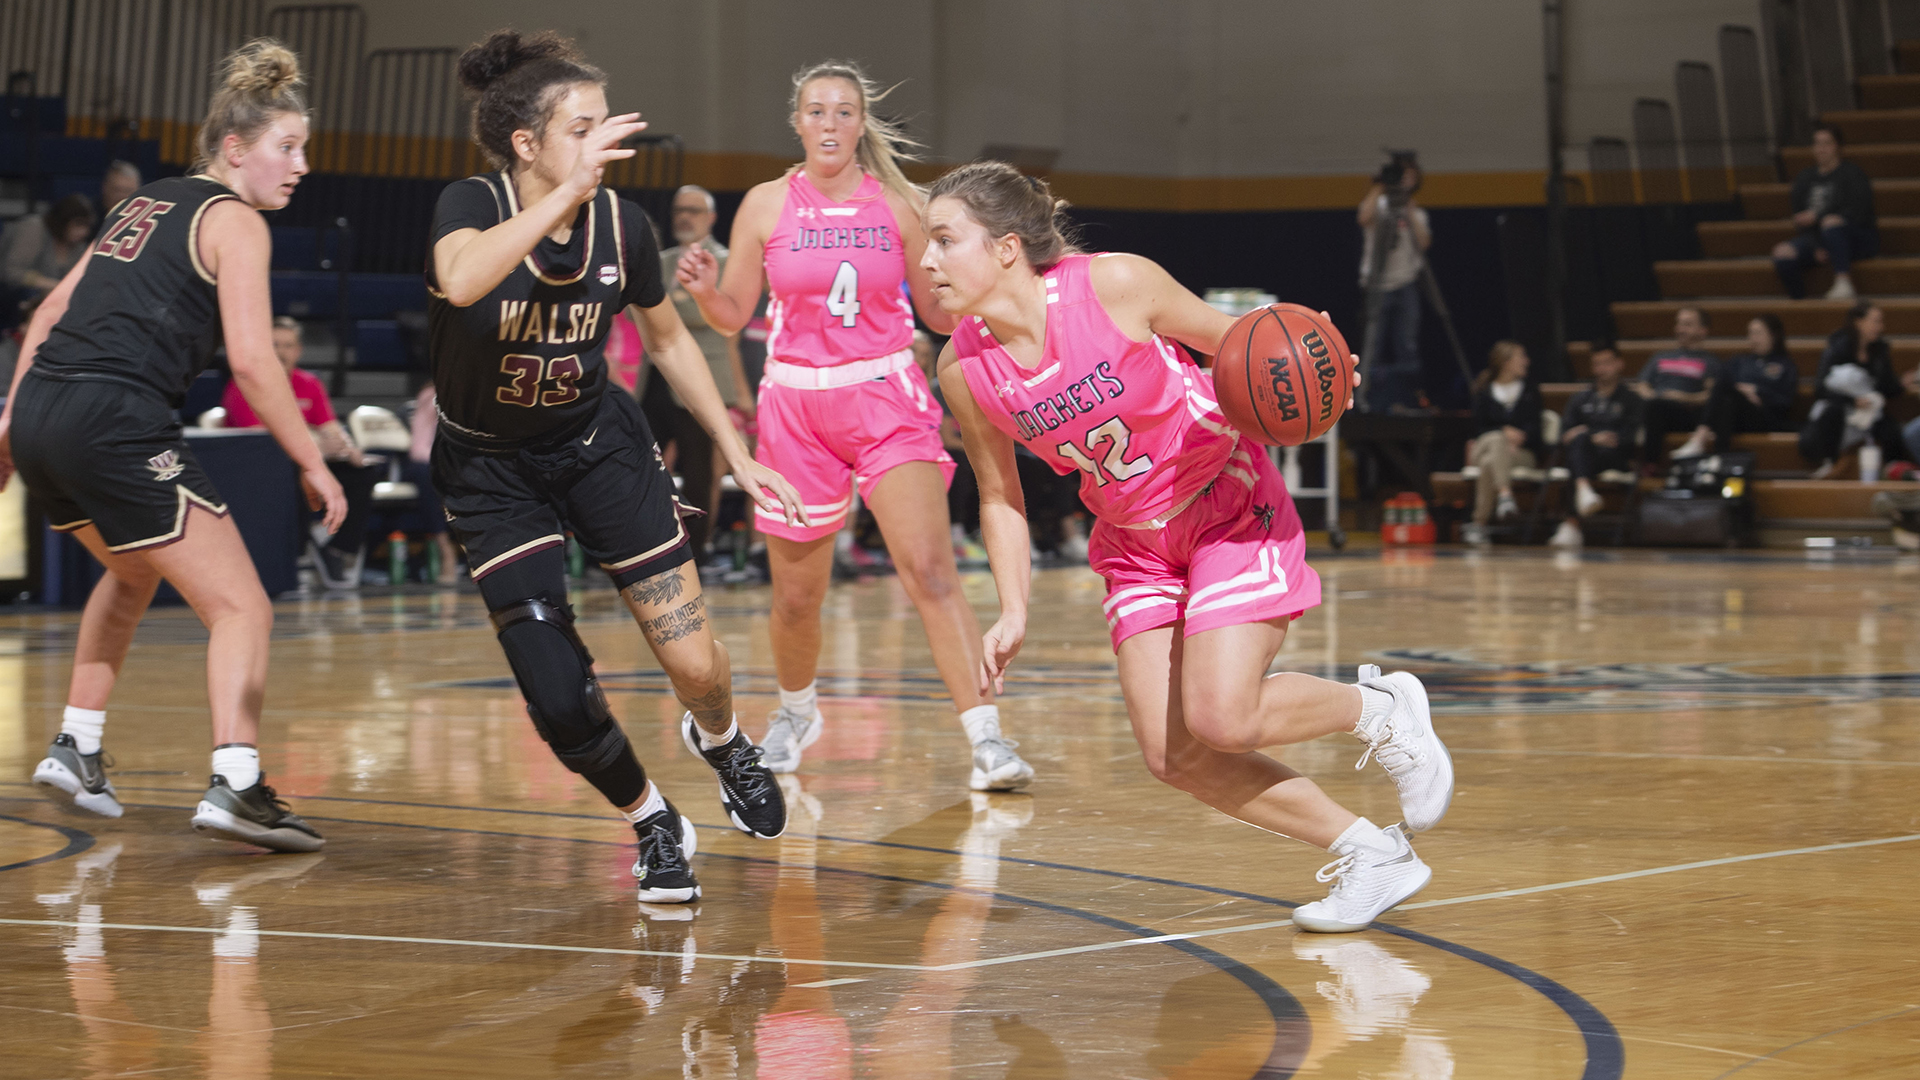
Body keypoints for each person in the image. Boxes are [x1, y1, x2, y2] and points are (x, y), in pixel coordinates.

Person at [926, 161, 1451, 933]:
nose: (928, 260)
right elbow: (1000, 495)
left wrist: (1321, 365)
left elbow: (1241, 344)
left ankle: (1381, 708)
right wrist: (1011, 611)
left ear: (1007, 248)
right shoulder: (963, 369)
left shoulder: (1114, 286)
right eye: (925, 243)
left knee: (1225, 719)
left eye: (944, 239)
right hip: (1135, 544)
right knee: (1174, 754)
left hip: (1225, 504)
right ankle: (1372, 853)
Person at [432, 30, 807, 902]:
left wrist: (739, 455)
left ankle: (720, 741)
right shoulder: (469, 204)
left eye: (609, 125)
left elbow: (669, 337)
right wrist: (561, 192)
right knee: (556, 695)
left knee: (695, 667)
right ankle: (652, 821)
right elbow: (461, 282)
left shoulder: (622, 225)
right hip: (491, 471)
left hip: (598, 444)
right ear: (527, 144)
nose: (608, 144)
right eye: (583, 128)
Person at [1, 41, 346, 849]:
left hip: (46, 405)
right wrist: (312, 459)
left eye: (303, 150)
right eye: (285, 149)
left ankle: (77, 744)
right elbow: (256, 366)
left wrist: (13, 420)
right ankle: (238, 783)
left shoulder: (146, 201)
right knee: (242, 607)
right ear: (234, 149)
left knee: (129, 571)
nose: (298, 167)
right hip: (114, 416)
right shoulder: (237, 223)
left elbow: (48, 314)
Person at [677, 60, 1033, 789]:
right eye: (817, 111)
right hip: (794, 408)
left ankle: (988, 737)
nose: (831, 124)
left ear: (861, 123)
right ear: (797, 121)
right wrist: (710, 293)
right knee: (797, 597)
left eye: (844, 112)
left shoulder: (902, 206)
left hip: (883, 394)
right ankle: (797, 711)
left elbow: (938, 313)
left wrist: (986, 292)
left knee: (931, 573)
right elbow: (733, 315)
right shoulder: (764, 205)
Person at [640, 184, 753, 566]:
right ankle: (646, 548)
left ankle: (698, 551)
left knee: (700, 473)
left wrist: (673, 309)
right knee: (644, 467)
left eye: (693, 210)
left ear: (711, 218)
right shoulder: (661, 260)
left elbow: (714, 316)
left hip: (703, 380)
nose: (684, 217)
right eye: (678, 210)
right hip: (655, 378)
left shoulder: (726, 260)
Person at [221, 316, 379, 589]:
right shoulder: (244, 383)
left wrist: (347, 447)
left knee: (363, 470)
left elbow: (330, 427)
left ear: (298, 351)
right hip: (258, 469)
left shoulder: (309, 383)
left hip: (304, 460)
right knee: (293, 471)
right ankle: (301, 551)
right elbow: (262, 439)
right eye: (274, 345)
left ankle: (334, 546)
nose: (281, 351)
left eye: (288, 345)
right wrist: (317, 443)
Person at [1800, 301, 1911, 476]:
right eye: (1875, 321)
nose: (1880, 327)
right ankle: (1830, 461)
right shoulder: (1836, 348)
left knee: (1890, 429)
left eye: (1881, 322)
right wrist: (1852, 400)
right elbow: (1820, 389)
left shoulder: (1880, 351)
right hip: (1840, 406)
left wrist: (1901, 384)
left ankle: (1893, 470)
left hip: (1868, 410)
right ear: (1858, 322)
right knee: (1832, 413)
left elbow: (1887, 388)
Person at [1356, 155, 1431, 414]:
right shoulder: (1380, 206)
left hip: (1406, 283)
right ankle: (1367, 399)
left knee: (1406, 344)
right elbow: (1364, 217)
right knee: (1373, 346)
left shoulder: (1416, 212)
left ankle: (1410, 397)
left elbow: (1423, 243)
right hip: (1377, 284)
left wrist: (1407, 206)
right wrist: (1379, 186)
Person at [1550, 342, 1642, 549]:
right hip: (1585, 455)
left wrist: (1591, 437)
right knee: (1580, 443)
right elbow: (1564, 435)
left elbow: (1629, 437)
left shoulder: (1631, 400)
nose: (1602, 369)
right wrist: (1592, 437)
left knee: (1579, 447)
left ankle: (1572, 522)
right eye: (1597, 364)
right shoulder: (1580, 399)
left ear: (1620, 364)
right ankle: (1583, 493)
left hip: (1615, 457)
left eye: (1607, 363)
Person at [1773, 124, 1877, 301]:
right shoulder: (1805, 178)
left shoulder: (1852, 174)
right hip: (1818, 238)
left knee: (1831, 223)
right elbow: (1799, 217)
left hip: (1855, 236)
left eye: (1826, 143)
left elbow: (1860, 211)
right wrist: (1815, 246)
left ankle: (1843, 281)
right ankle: (1800, 304)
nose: (1821, 149)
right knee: (1782, 253)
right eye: (1817, 143)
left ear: (1837, 146)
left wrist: (1820, 218)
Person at [1461, 340, 1541, 546]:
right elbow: (1476, 429)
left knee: (1490, 462)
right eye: (1521, 357)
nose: (1527, 361)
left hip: (1519, 454)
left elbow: (1537, 430)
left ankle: (1479, 524)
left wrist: (1521, 438)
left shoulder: (1531, 391)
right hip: (1484, 447)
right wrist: (1503, 434)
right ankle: (1505, 495)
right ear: (1506, 362)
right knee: (1496, 439)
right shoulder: (1484, 391)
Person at [1634, 306, 1721, 463]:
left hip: (1685, 412)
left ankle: (1649, 464)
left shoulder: (1710, 362)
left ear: (1703, 330)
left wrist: (1682, 397)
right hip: (1656, 406)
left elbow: (1711, 396)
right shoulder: (1660, 357)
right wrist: (1654, 397)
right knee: (1648, 406)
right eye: (1679, 324)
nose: (1680, 329)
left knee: (1654, 409)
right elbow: (1641, 385)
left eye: (1687, 324)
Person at [2, 194, 97, 322]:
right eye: (79, 224)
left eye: (87, 226)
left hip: (50, 306)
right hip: (10, 298)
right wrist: (53, 285)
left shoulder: (79, 246)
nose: (84, 232)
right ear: (63, 221)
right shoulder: (34, 228)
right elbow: (11, 272)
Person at [1712, 313, 1800, 443]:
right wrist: (1744, 393)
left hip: (1767, 418)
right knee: (1726, 393)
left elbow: (1785, 401)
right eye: (1750, 333)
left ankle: (1715, 448)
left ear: (1773, 335)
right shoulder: (1739, 361)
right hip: (1736, 415)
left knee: (1730, 396)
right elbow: (1723, 384)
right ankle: (1706, 435)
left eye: (1758, 333)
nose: (1753, 338)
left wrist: (1758, 391)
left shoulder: (1786, 365)